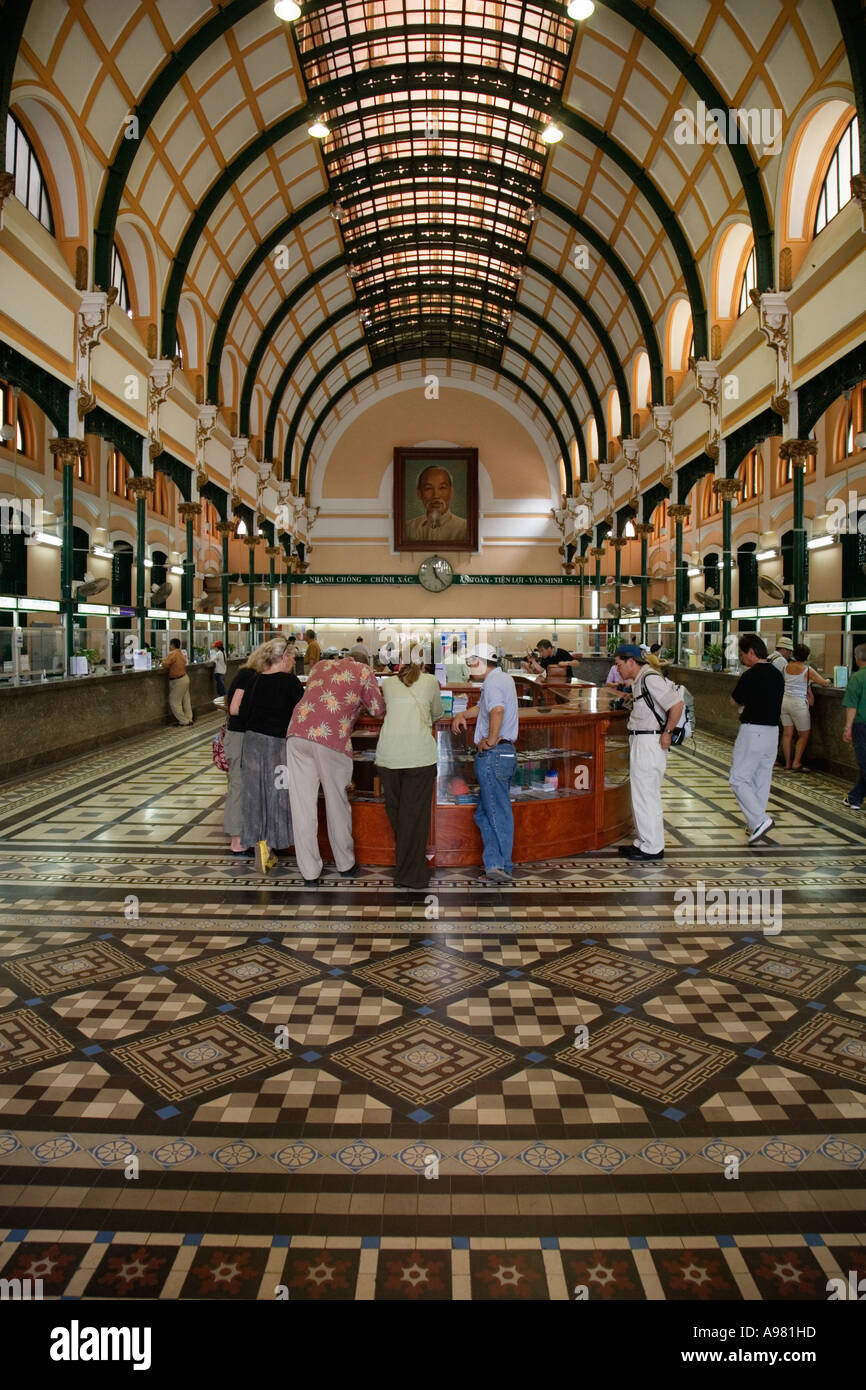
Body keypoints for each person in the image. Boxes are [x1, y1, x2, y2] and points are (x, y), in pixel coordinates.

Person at [285, 652, 385, 885]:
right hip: (330, 738)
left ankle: (309, 872)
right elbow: (377, 709)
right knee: (336, 801)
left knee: (301, 806)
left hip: (297, 733)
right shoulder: (363, 670)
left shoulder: (320, 665)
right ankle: (345, 864)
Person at [451, 645, 519, 883]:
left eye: (471, 662)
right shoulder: (502, 678)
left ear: (480, 662)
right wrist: (462, 715)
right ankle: (494, 865)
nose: (469, 667)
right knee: (485, 813)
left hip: (494, 755)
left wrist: (490, 741)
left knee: (496, 812)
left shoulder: (493, 683)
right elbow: (484, 708)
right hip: (504, 754)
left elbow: (497, 710)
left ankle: (502, 866)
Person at [238, 638, 304, 874]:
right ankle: (273, 844)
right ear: (283, 657)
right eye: (292, 657)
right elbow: (302, 713)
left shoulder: (254, 679)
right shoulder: (290, 682)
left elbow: (242, 713)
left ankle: (260, 845)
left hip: (253, 742)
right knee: (278, 794)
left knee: (255, 795)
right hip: (277, 745)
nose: (294, 662)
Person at [375, 661, 443, 890]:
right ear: (423, 663)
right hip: (419, 757)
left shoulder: (387, 683)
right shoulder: (431, 681)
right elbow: (437, 713)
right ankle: (412, 875)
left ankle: (408, 869)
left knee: (400, 816)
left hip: (388, 757)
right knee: (414, 817)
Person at [613, 644, 683, 860]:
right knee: (641, 793)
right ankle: (644, 841)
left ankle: (653, 847)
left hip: (650, 742)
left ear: (630, 661)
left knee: (646, 794)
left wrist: (668, 732)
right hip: (641, 740)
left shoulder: (650, 678)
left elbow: (677, 705)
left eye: (619, 665)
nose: (617, 670)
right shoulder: (640, 680)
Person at [729, 633, 784, 844]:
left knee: (738, 778)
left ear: (751, 652)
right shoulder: (777, 674)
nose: (742, 658)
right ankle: (755, 823)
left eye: (743, 654)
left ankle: (760, 820)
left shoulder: (750, 675)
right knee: (761, 778)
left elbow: (734, 700)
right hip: (773, 732)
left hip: (753, 731)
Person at [223, 654, 257, 856]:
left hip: (242, 736)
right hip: (239, 736)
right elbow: (235, 708)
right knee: (238, 785)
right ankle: (237, 840)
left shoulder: (248, 675)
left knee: (242, 786)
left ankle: (243, 836)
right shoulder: (247, 676)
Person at [780, 643, 830, 770]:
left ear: (794, 654)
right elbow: (824, 683)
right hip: (798, 704)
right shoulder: (807, 670)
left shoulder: (786, 667)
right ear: (807, 656)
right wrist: (829, 680)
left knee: (787, 734)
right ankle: (796, 762)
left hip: (784, 702)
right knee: (803, 735)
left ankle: (787, 763)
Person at [406, 465, 468, 542]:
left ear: (451, 492)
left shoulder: (465, 528)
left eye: (442, 487)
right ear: (419, 494)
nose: (436, 495)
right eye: (428, 488)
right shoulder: (408, 528)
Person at [842, 643, 866, 809]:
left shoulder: (857, 678)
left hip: (861, 725)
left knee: (864, 762)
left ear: (857, 658)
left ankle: (855, 797)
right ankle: (855, 798)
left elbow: (852, 705)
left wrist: (848, 727)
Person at [161, 638, 193, 726]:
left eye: (170, 645)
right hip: (185, 678)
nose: (169, 647)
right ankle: (189, 718)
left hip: (178, 681)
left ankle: (184, 721)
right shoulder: (181, 653)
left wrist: (162, 661)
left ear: (172, 645)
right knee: (186, 701)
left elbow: (165, 664)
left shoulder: (173, 653)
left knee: (174, 702)